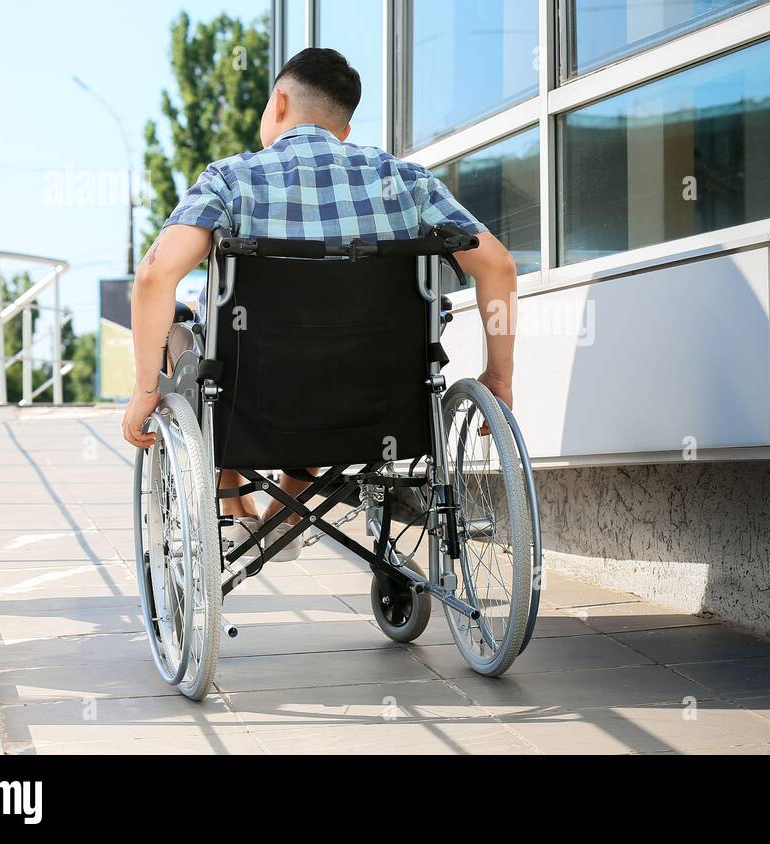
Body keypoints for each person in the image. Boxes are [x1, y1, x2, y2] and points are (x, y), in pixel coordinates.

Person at [120, 47, 517, 561]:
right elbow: (500, 267)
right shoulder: (406, 181)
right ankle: (288, 511)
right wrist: (500, 377)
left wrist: (144, 390)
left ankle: (234, 500)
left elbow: (155, 275)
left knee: (191, 341)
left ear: (279, 103)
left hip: (254, 404)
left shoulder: (231, 181)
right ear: (343, 131)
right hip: (380, 406)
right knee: (329, 362)